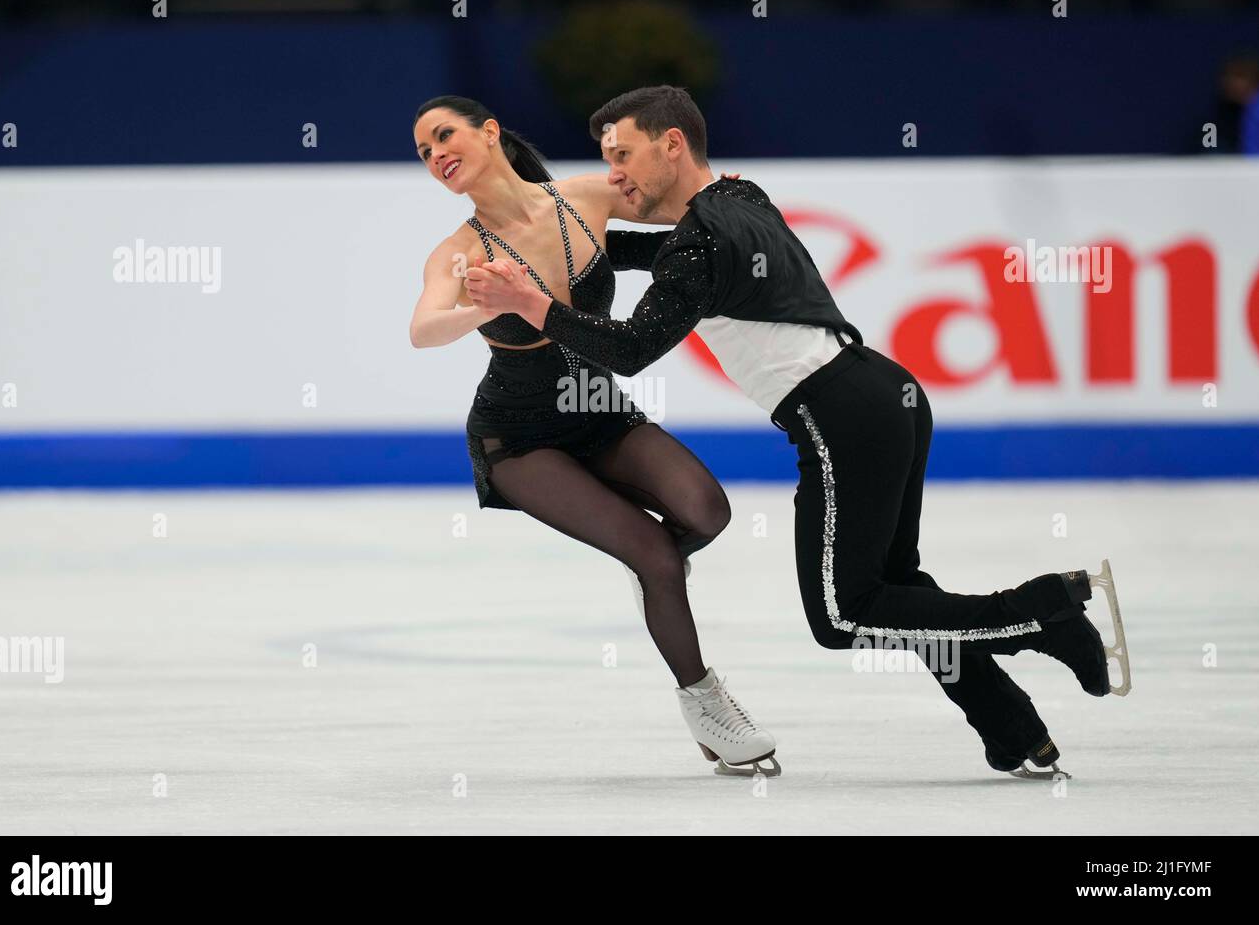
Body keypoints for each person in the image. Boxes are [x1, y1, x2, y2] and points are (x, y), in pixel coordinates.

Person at [464, 85, 1131, 778]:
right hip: (889, 393)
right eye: (607, 160)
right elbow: (644, 254)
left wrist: (532, 305)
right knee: (898, 583)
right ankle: (1011, 725)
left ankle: (1042, 611)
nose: (614, 175)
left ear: (673, 144)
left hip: (839, 413)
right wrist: (555, 238)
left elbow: (631, 347)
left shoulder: (699, 248)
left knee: (844, 614)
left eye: (624, 155)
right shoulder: (741, 197)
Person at [409, 95, 780, 776]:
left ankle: (651, 571)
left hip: (602, 414)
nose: (435, 155)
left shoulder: (584, 198)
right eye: (423, 151)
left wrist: (732, 204)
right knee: (658, 557)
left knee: (707, 509)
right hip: (518, 439)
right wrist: (476, 306)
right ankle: (705, 702)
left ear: (489, 132)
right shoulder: (460, 254)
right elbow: (421, 328)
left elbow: (678, 216)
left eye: (443, 136)